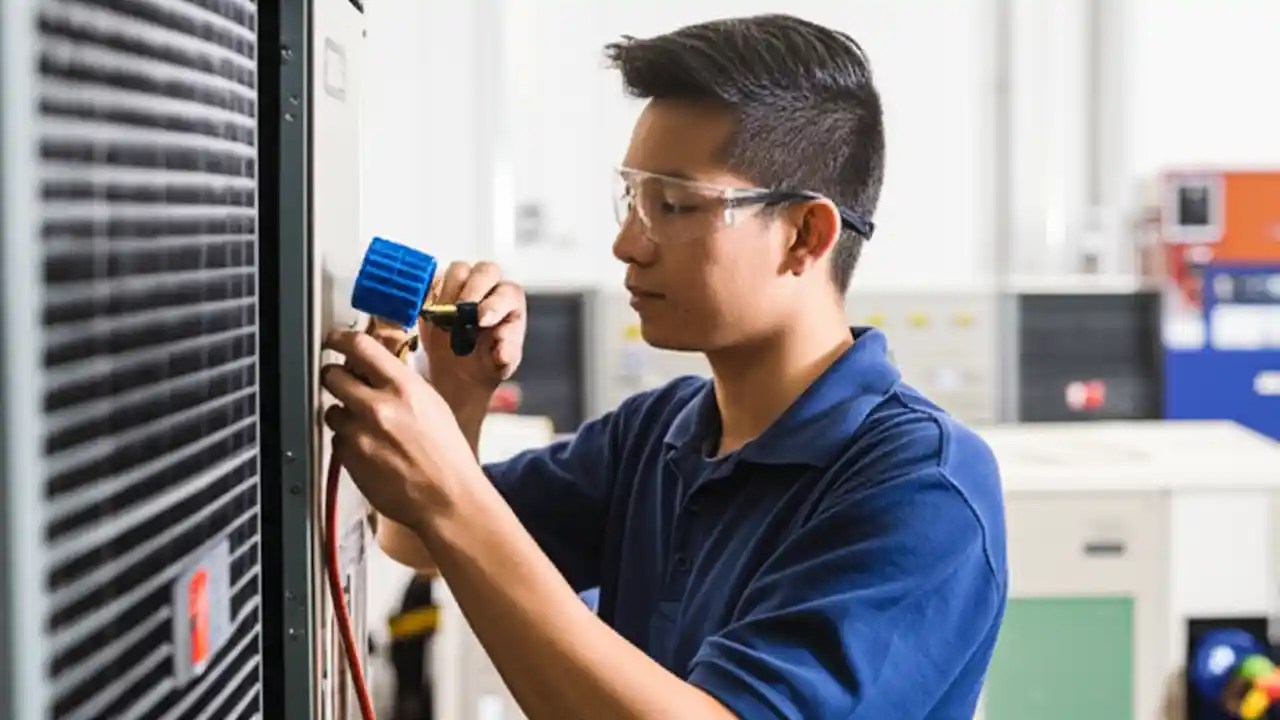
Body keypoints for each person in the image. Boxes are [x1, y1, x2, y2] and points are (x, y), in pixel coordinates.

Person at [321, 13, 1008, 719]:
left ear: (805, 235)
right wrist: (458, 398)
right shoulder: (658, 434)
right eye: (633, 198)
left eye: (675, 205)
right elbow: (418, 539)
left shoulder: (922, 487)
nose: (628, 244)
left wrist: (450, 494)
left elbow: (450, 515)